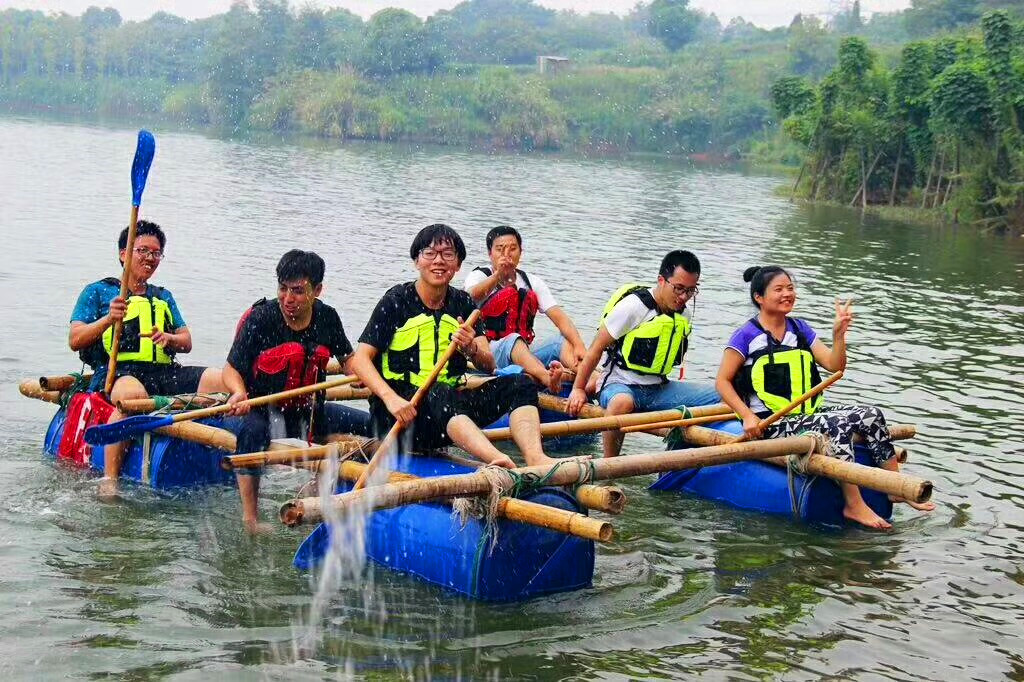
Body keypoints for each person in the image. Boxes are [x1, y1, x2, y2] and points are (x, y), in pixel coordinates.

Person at [714, 265, 935, 530]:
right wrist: (748, 416)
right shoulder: (747, 335)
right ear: (759, 298)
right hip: (770, 424)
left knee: (871, 414)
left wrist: (839, 335)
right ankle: (853, 504)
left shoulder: (800, 329)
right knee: (836, 425)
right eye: (779, 289)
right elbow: (722, 382)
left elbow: (835, 365)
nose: (787, 294)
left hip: (806, 417)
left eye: (791, 288)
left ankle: (893, 487)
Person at [350, 223, 556, 468]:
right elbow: (360, 360)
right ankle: (497, 460)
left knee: (520, 383)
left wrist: (471, 348)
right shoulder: (395, 302)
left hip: (448, 413)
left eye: (448, 255)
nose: (439, 261)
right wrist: (391, 399)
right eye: (430, 253)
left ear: (457, 265)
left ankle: (535, 457)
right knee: (438, 391)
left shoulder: (463, 303)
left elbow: (488, 364)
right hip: (399, 418)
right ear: (417, 261)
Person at [68, 220, 224, 497]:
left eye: (156, 253)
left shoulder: (163, 296)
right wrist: (108, 319)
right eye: (142, 251)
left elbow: (186, 341)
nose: (149, 259)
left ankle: (223, 457)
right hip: (119, 372)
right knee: (133, 396)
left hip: (163, 371)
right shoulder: (99, 292)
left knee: (221, 380)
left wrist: (169, 338)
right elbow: (75, 339)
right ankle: (110, 480)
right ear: (123, 253)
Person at [224, 250, 370, 532]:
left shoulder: (327, 317)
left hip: (309, 412)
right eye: (282, 289)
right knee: (251, 434)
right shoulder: (261, 319)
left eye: (298, 291)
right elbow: (231, 369)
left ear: (317, 291)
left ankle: (327, 493)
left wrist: (360, 378)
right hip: (262, 410)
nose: (288, 299)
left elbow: (349, 360)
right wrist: (238, 392)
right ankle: (251, 519)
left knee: (371, 425)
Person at [566, 250, 720, 457]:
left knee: (719, 397)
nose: (683, 297)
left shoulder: (684, 313)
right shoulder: (634, 307)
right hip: (619, 385)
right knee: (622, 403)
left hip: (658, 388)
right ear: (661, 280)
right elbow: (596, 349)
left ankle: (678, 457)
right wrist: (577, 389)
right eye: (679, 288)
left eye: (691, 291)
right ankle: (610, 463)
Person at [464, 226, 588, 393]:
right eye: (500, 249)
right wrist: (497, 276)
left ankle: (588, 379)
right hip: (488, 354)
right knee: (513, 340)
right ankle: (546, 378)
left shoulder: (532, 282)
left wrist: (579, 344)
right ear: (490, 253)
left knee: (561, 341)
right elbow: (469, 298)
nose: (506, 254)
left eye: (512, 249)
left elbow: (560, 318)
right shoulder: (479, 276)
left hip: (525, 355)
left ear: (520, 252)